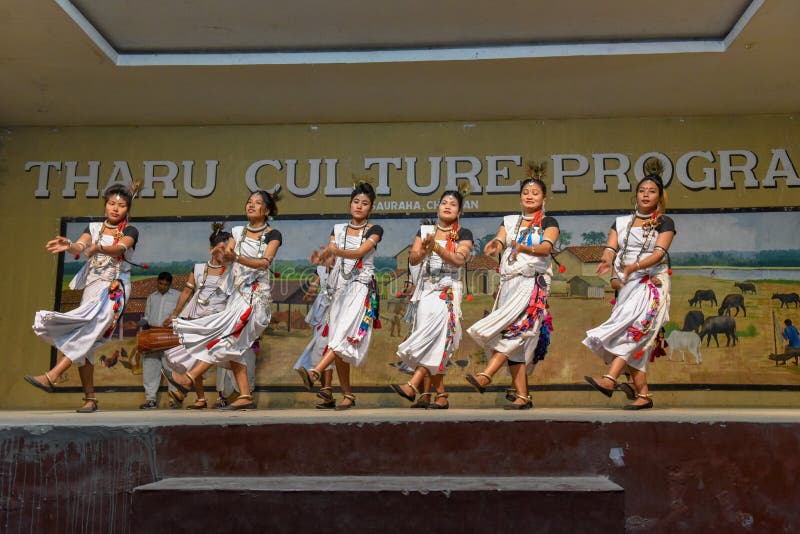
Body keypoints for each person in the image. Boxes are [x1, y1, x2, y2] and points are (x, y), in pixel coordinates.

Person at [25, 184, 141, 413]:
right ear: (105, 204)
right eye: (111, 203)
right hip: (92, 286)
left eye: (121, 205)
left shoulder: (131, 231)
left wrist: (99, 248)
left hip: (114, 289)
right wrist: (69, 245)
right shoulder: (94, 227)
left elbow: (119, 248)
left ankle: (52, 375)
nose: (115, 209)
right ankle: (90, 399)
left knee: (88, 330)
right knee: (84, 339)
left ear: (128, 208)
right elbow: (80, 245)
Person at [166, 190, 282, 410]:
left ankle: (188, 379)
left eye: (257, 203)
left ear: (267, 210)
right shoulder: (237, 232)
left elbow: (265, 263)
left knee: (226, 340)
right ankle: (245, 395)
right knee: (230, 344)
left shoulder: (273, 234)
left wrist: (235, 257)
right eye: (249, 201)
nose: (251, 205)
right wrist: (221, 252)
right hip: (237, 298)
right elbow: (226, 255)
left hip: (256, 299)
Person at [583, 157, 676, 410]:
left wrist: (635, 267)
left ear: (660, 196)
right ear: (635, 195)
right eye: (642, 191)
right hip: (627, 285)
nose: (646, 195)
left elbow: (658, 253)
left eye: (652, 191)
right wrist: (607, 262)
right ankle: (643, 395)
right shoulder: (622, 222)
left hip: (651, 283)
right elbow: (611, 248)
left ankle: (610, 379)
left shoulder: (664, 223)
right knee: (631, 335)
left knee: (635, 331)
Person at [464, 165, 559, 409]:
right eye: (526, 192)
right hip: (509, 285)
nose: (529, 196)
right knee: (512, 337)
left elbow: (547, 248)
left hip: (532, 285)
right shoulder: (510, 221)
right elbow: (501, 237)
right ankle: (522, 396)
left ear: (544, 198)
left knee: (516, 331)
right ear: (520, 196)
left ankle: (486, 375)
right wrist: (495, 245)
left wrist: (524, 248)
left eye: (535, 193)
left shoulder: (549, 221)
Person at [296, 182, 383, 410]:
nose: (359, 206)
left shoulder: (375, 230)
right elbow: (331, 256)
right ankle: (348, 395)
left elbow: (359, 253)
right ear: (350, 203)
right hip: (340, 290)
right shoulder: (338, 229)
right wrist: (321, 258)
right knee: (337, 340)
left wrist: (335, 252)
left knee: (343, 336)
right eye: (356, 202)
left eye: (365, 203)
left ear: (370, 208)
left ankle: (315, 372)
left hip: (361, 288)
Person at [391, 190, 473, 409]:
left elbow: (458, 260)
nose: (447, 206)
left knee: (437, 337)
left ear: (460, 211)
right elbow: (414, 259)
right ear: (438, 207)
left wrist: (436, 246)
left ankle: (413, 384)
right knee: (432, 339)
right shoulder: (425, 230)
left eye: (453, 204)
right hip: (426, 290)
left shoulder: (464, 233)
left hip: (447, 290)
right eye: (444, 202)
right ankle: (439, 395)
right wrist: (425, 249)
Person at [161, 224, 234, 409]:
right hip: (198, 319)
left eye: (229, 249)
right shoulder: (199, 268)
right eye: (222, 249)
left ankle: (242, 395)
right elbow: (187, 292)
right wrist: (175, 314)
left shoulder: (232, 270)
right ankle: (199, 398)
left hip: (219, 321)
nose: (225, 253)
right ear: (212, 249)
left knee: (207, 356)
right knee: (196, 356)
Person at [293, 256, 336, 409]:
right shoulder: (320, 270)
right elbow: (313, 286)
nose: (332, 258)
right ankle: (327, 394)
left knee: (324, 347)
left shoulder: (344, 270)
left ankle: (326, 388)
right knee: (320, 348)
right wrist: (309, 294)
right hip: (321, 312)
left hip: (337, 311)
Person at [139, 271, 180, 409]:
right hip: (152, 335)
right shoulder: (151, 297)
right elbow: (146, 317)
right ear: (157, 282)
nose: (163, 287)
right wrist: (137, 324)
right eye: (160, 283)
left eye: (166, 285)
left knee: (172, 370)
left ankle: (174, 400)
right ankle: (150, 400)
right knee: (150, 369)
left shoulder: (178, 296)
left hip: (170, 337)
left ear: (170, 284)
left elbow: (182, 316)